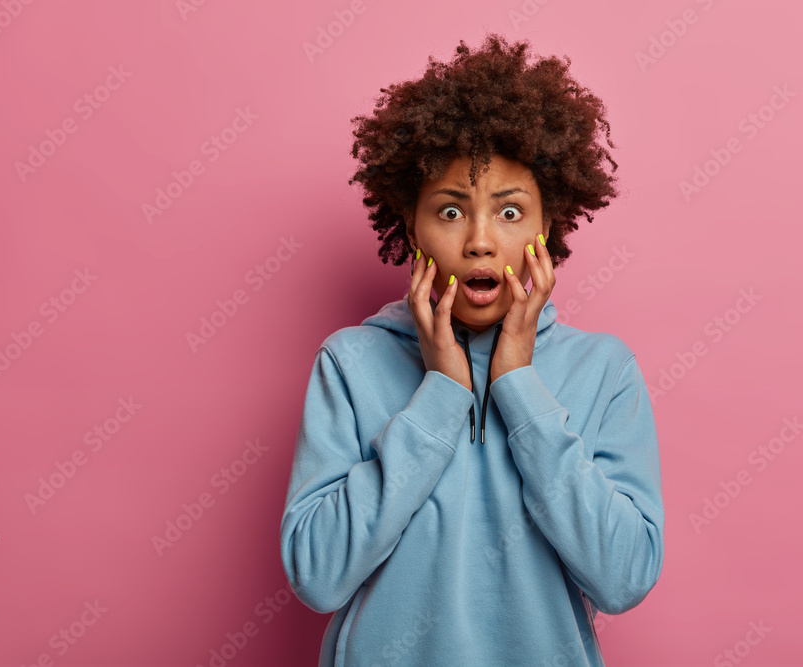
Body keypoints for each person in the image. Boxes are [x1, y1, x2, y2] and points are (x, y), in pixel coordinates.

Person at [280, 32, 664, 666]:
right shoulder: (350, 363)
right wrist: (441, 394)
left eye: (510, 214)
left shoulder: (605, 370)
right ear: (411, 224)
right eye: (451, 212)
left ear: (547, 226)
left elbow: (624, 579)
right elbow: (318, 576)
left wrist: (519, 386)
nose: (480, 241)